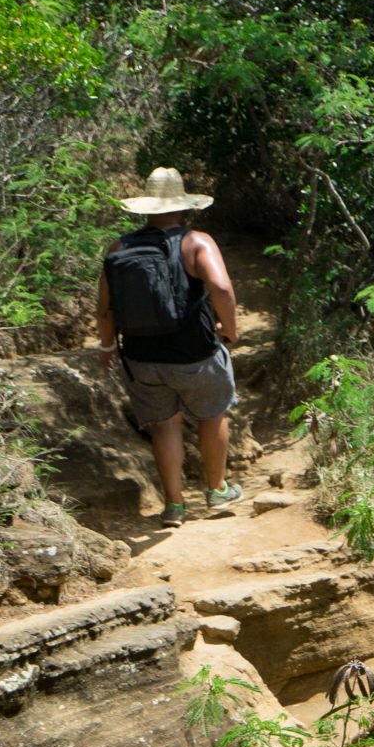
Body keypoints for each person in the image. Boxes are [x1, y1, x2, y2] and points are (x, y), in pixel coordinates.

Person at [97, 167, 242, 526]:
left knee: (164, 426)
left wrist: (106, 347)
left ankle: (174, 506)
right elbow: (221, 288)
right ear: (183, 206)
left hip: (141, 356)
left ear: (145, 208)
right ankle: (216, 489)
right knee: (211, 416)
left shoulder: (119, 247)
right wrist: (231, 329)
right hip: (195, 352)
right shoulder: (196, 242)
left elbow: (105, 306)